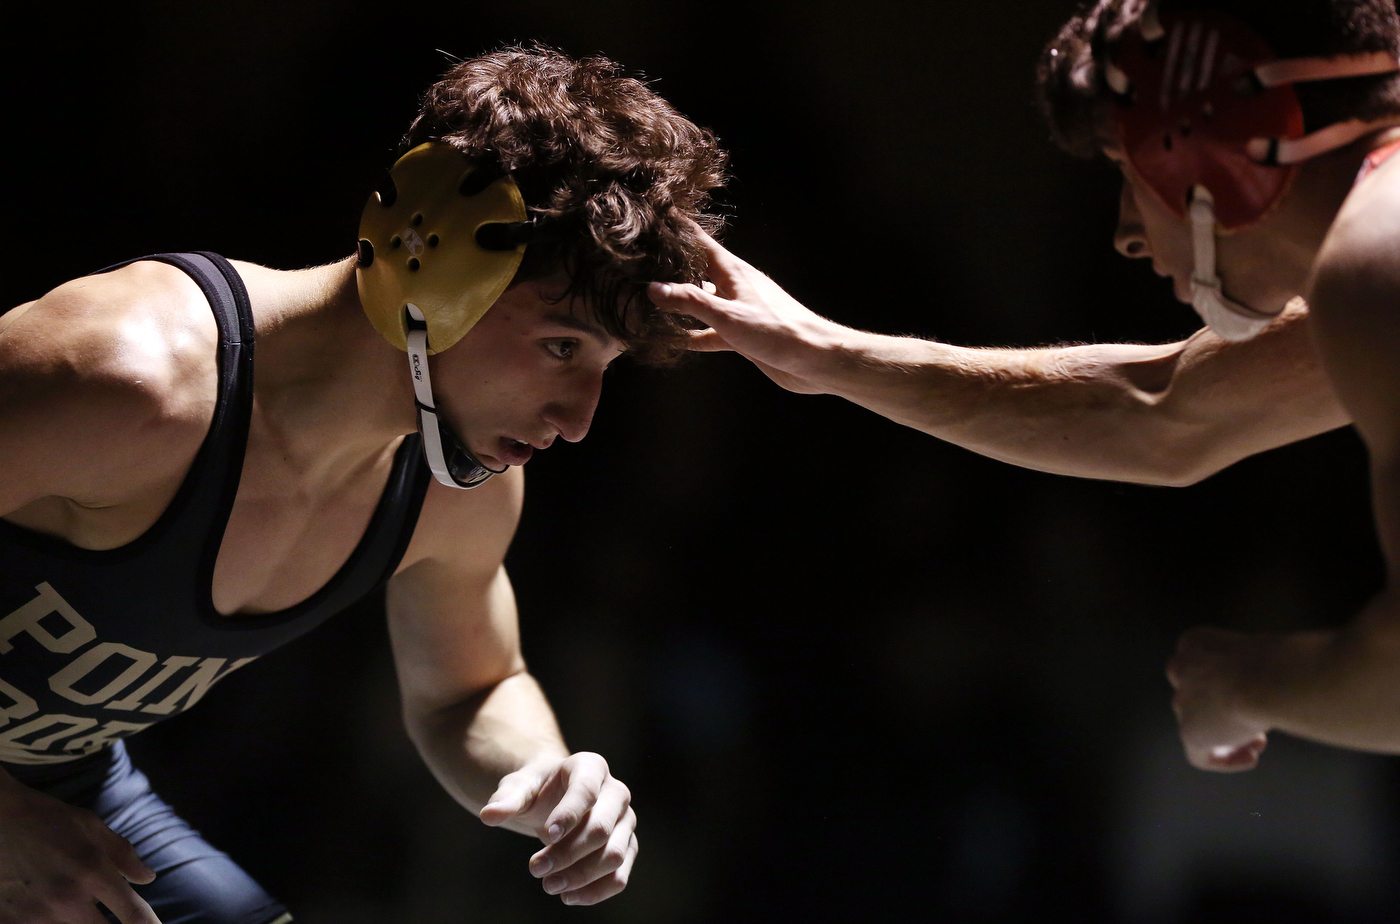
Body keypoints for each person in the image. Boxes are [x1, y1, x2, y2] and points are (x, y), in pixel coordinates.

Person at [0, 46, 725, 923]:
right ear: (438, 263)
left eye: (605, 366)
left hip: (57, 789)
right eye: (561, 346)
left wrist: (544, 776)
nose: (577, 418)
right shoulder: (124, 380)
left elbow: (471, 685)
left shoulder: (458, 486)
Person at [648, 0, 1400, 776]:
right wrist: (827, 354)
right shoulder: (1374, 252)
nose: (1127, 233)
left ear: (1207, 146)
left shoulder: (1379, 254)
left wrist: (1243, 686)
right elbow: (1159, 410)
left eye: (1126, 169)